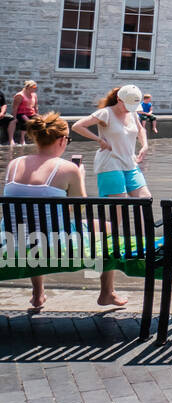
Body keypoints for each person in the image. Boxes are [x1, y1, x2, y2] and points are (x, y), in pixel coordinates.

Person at [4, 111, 132, 310]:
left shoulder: (14, 164)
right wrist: (79, 175)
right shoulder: (67, 169)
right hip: (52, 241)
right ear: (63, 140)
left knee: (32, 224)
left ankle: (38, 294)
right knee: (108, 228)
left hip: (13, 238)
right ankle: (107, 293)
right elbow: (80, 208)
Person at [72, 85, 151, 208]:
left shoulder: (133, 113)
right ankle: (111, 227)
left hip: (130, 162)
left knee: (145, 200)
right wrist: (98, 139)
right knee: (120, 206)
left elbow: (141, 130)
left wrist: (145, 145)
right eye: (127, 106)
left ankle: (144, 228)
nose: (130, 109)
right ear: (119, 100)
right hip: (110, 163)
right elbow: (77, 126)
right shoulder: (105, 113)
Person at [13, 80, 38, 145]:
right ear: (28, 87)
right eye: (34, 87)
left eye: (35, 87)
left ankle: (36, 138)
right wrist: (14, 118)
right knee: (27, 121)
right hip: (21, 113)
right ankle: (22, 139)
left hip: (31, 113)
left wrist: (37, 114)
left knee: (39, 121)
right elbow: (15, 107)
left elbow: (35, 106)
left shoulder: (34, 95)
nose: (35, 88)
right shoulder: (20, 95)